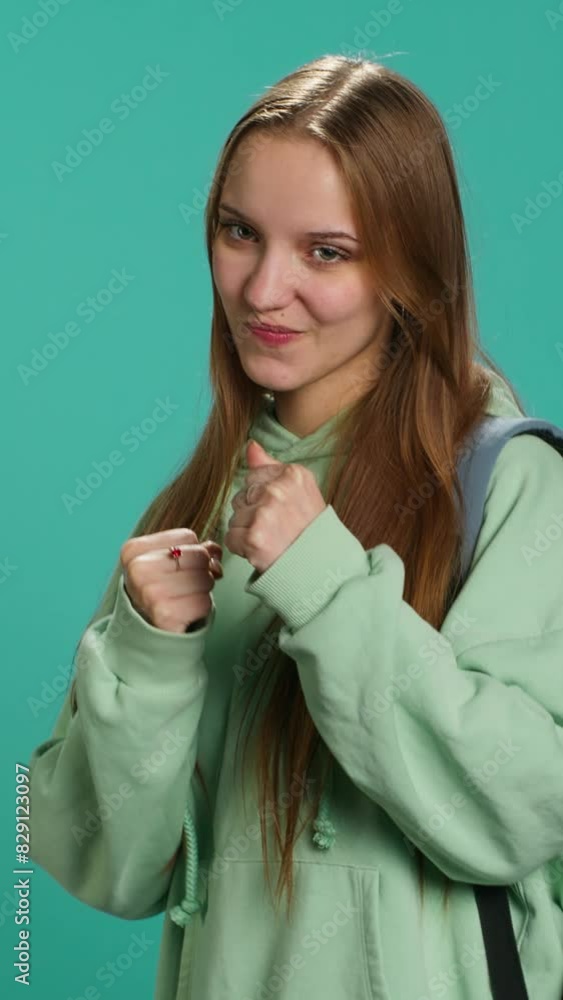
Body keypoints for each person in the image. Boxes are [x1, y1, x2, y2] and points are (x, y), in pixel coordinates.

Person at [28, 54, 563, 1000]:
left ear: (410, 264)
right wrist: (151, 655)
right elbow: (94, 864)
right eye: (240, 234)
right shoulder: (195, 512)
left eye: (326, 251)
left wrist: (323, 584)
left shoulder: (510, 484)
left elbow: (518, 811)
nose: (264, 290)